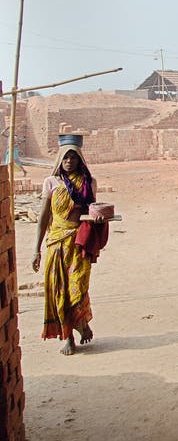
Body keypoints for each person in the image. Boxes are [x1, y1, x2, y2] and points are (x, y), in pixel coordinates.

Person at [32, 135, 106, 355]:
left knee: (77, 288)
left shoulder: (88, 182)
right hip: (56, 244)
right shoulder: (51, 182)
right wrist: (36, 250)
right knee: (59, 292)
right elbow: (43, 218)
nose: (69, 161)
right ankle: (69, 337)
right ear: (60, 159)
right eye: (66, 157)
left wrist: (100, 218)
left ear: (80, 160)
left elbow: (92, 211)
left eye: (74, 157)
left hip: (78, 242)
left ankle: (82, 324)